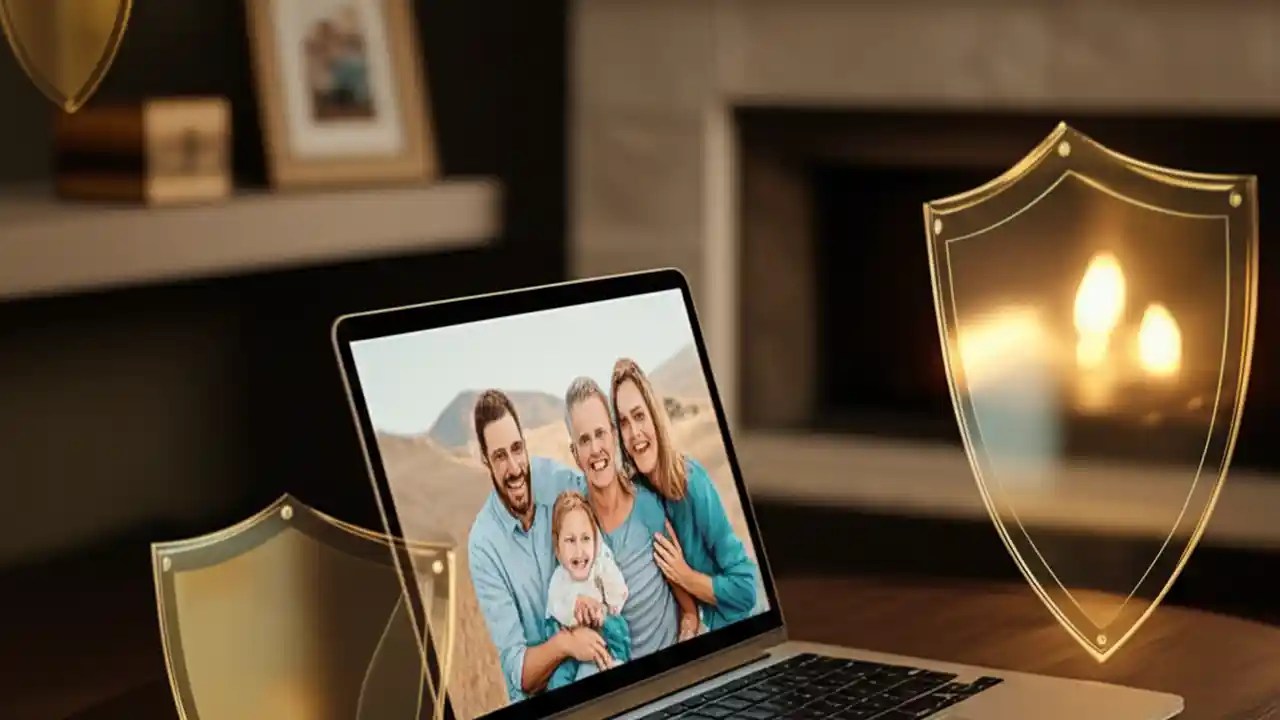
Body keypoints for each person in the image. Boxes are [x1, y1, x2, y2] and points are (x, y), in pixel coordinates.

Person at [466, 389, 612, 703]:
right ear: (484, 460)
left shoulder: (560, 482)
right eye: (500, 456)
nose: (515, 468)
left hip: (600, 675)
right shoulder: (483, 545)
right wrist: (566, 643)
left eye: (517, 449)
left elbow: (611, 496)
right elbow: (519, 672)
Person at [610, 358, 760, 632]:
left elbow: (745, 587)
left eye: (639, 415)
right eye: (623, 422)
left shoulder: (692, 482)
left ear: (655, 416)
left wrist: (686, 576)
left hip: (738, 629)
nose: (634, 433)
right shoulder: (638, 497)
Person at [563, 376, 696, 660]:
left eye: (601, 434)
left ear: (613, 435)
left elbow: (689, 611)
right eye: (584, 440)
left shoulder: (646, 507)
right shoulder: (577, 530)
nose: (596, 448)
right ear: (575, 454)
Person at [542, 490, 632, 689]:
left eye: (585, 539)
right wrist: (576, 606)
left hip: (604, 634)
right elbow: (557, 607)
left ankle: (614, 666)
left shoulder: (600, 567)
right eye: (570, 540)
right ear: (557, 549)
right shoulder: (559, 578)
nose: (579, 550)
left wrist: (601, 611)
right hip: (571, 645)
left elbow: (619, 596)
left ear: (596, 542)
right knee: (559, 679)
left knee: (618, 630)